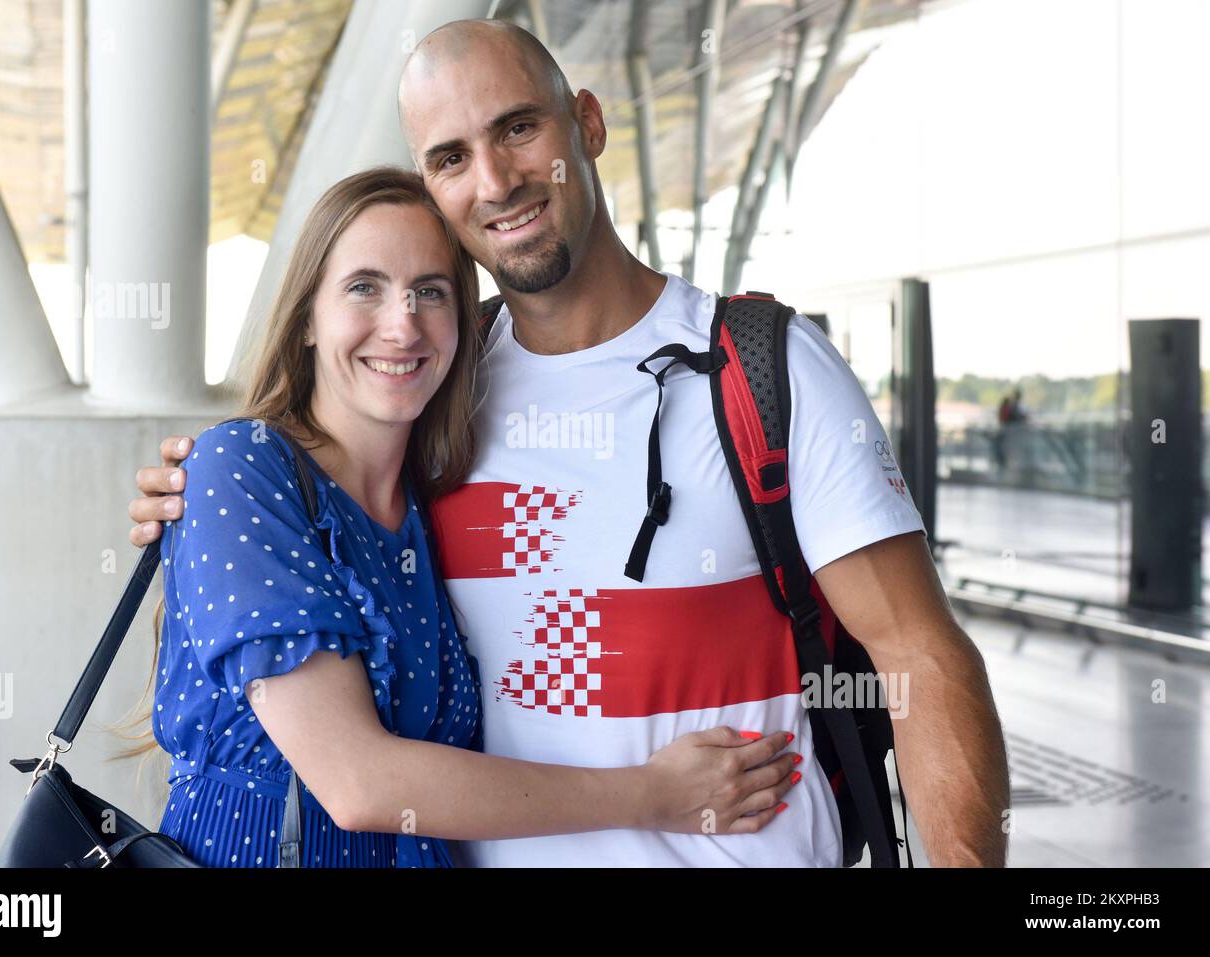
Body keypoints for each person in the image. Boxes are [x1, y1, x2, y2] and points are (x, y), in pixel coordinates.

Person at [130, 20, 1009, 867]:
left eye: (518, 127)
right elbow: (350, 732)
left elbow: (919, 656)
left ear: (585, 123)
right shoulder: (436, 391)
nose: (497, 179)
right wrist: (205, 487)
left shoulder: (759, 369)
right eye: (451, 157)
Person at [130, 167, 800, 868]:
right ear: (305, 318)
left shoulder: (430, 503)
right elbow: (358, 782)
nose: (402, 323)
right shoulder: (242, 467)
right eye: (365, 287)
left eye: (431, 291)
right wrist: (653, 795)